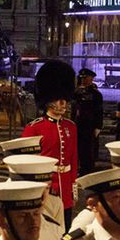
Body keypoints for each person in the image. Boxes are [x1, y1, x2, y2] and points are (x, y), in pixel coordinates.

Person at [22, 60, 79, 226]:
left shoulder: (71, 127)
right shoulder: (34, 128)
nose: (63, 103)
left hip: (65, 188)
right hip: (45, 188)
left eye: (65, 99)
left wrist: (73, 189)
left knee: (65, 229)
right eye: (58, 99)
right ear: (47, 100)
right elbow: (27, 164)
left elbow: (73, 160)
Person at [73, 67, 104, 173]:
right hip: (77, 124)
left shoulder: (95, 94)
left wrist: (98, 126)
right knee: (76, 149)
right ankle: (78, 168)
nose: (83, 80)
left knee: (88, 150)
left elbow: (99, 111)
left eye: (85, 78)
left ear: (91, 79)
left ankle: (87, 170)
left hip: (88, 125)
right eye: (81, 78)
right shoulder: (76, 92)